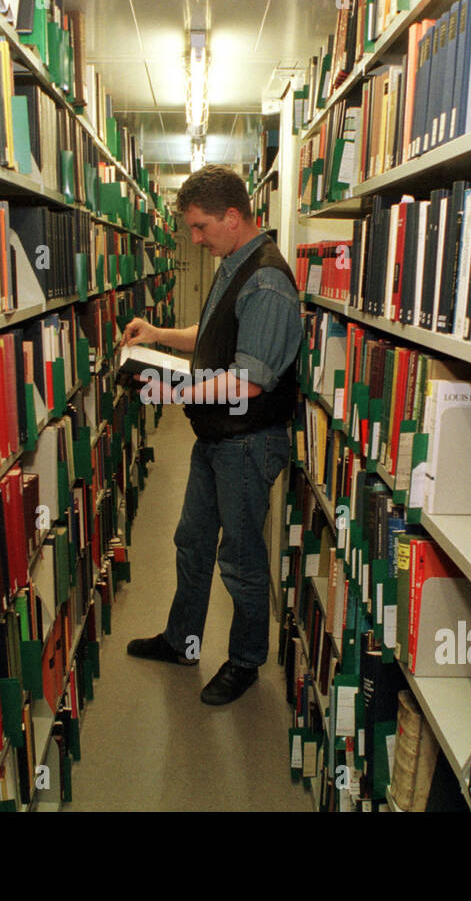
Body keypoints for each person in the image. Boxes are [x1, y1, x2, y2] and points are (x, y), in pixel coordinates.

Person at [122, 165, 302, 706]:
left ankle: (246, 661)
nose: (194, 239)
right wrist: (160, 337)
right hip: (217, 438)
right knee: (192, 541)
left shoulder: (267, 280)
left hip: (247, 442)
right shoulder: (234, 262)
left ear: (232, 216)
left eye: (200, 227)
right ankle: (184, 641)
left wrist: (174, 388)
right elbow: (214, 336)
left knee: (241, 560)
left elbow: (248, 381)